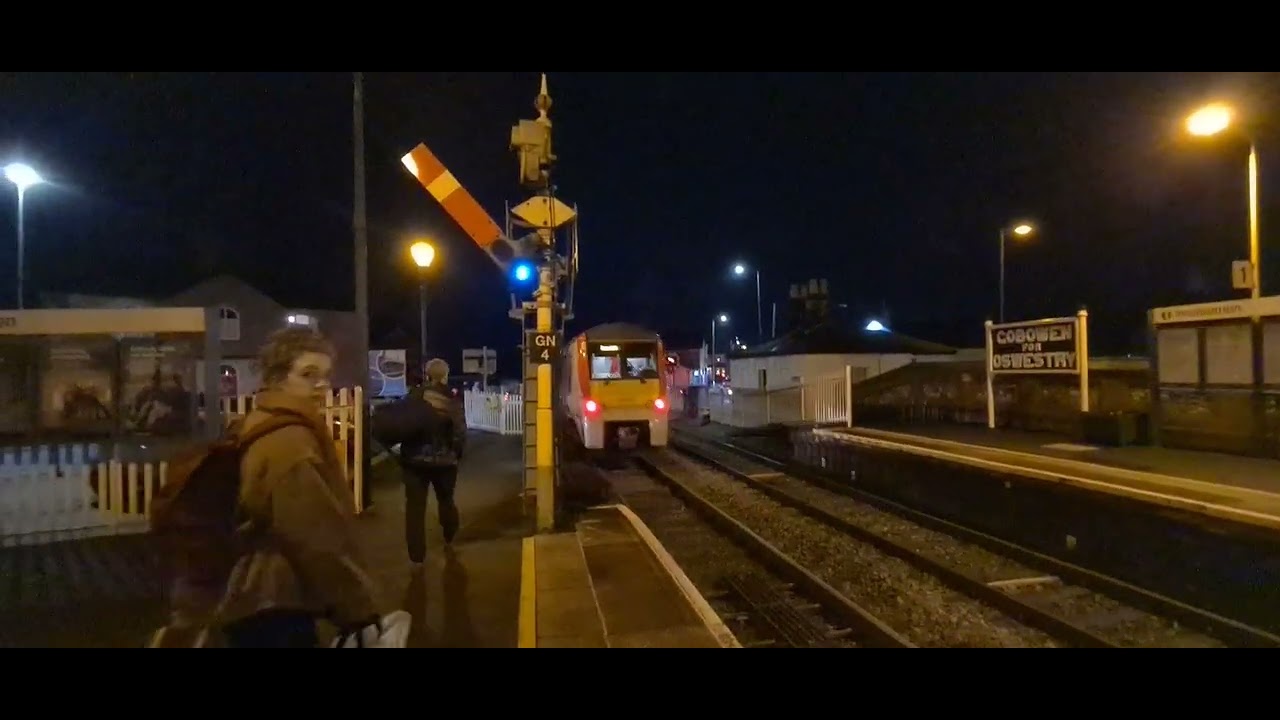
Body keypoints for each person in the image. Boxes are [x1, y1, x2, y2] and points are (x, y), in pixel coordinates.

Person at [216, 327, 383, 648]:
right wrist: (357, 608)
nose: (322, 385)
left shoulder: (262, 420)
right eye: (308, 374)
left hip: (256, 597)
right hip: (274, 605)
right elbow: (315, 535)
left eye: (325, 375)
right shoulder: (290, 442)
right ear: (277, 378)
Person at [399, 357, 467, 566]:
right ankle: (449, 535)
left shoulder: (413, 396)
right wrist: (456, 454)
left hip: (413, 461)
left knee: (415, 508)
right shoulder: (451, 400)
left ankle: (416, 555)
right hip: (444, 462)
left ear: (427, 375)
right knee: (446, 500)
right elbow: (459, 433)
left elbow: (403, 425)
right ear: (445, 376)